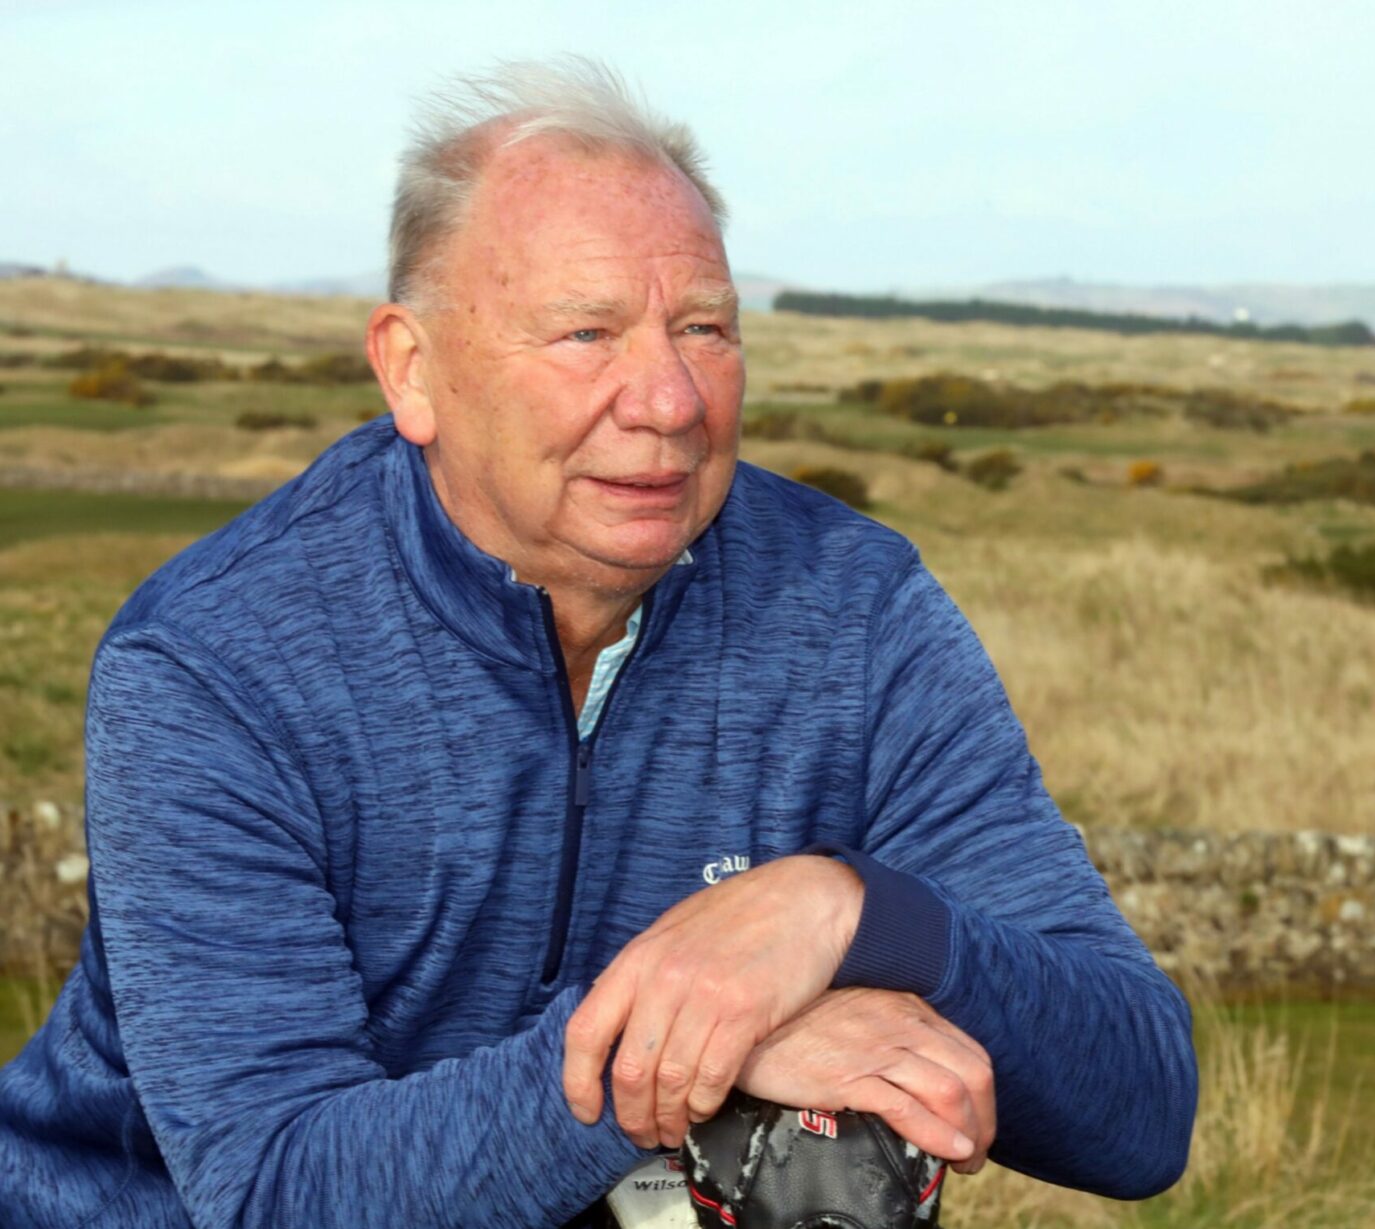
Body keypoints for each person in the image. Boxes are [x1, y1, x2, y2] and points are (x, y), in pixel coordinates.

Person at [0, 57, 1197, 1228]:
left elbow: (1140, 1109)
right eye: (585, 332)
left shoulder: (853, 608)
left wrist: (842, 914)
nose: (670, 399)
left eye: (704, 327)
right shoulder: (219, 662)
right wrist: (697, 1037)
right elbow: (277, 1189)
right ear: (411, 372)